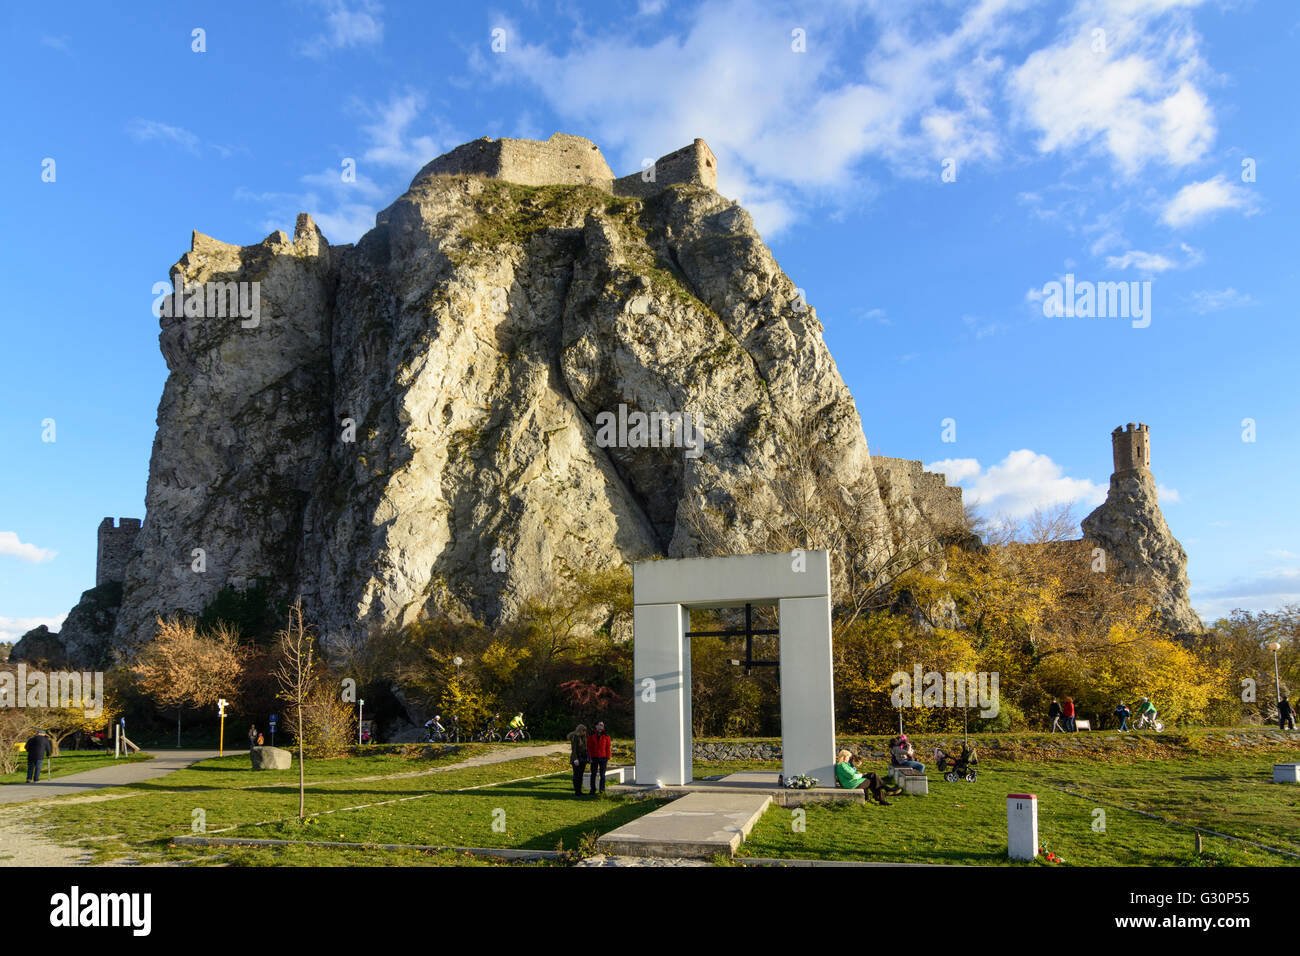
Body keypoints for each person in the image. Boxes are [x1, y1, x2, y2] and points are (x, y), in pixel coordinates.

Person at [834, 749, 898, 805]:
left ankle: (881, 797)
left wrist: (860, 774)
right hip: (852, 784)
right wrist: (862, 775)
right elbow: (852, 776)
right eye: (848, 757)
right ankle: (885, 793)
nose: (849, 758)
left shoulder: (843, 765)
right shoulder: (842, 765)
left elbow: (852, 773)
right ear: (845, 757)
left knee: (873, 777)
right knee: (873, 779)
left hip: (851, 783)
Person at [587, 721, 612, 794]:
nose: (602, 726)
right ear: (596, 726)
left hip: (603, 757)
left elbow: (608, 747)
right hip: (594, 757)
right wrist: (590, 757)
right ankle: (592, 790)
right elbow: (589, 747)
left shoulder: (606, 735)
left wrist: (608, 757)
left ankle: (602, 790)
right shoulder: (591, 735)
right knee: (593, 774)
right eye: (600, 725)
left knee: (602, 775)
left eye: (602, 725)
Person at [567, 723, 589, 795]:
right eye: (583, 730)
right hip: (576, 758)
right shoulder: (575, 737)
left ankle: (579, 790)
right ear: (580, 730)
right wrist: (575, 759)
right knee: (576, 775)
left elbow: (585, 748)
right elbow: (574, 749)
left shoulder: (584, 737)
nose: (585, 732)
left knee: (581, 775)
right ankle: (577, 791)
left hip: (583, 758)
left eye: (585, 731)